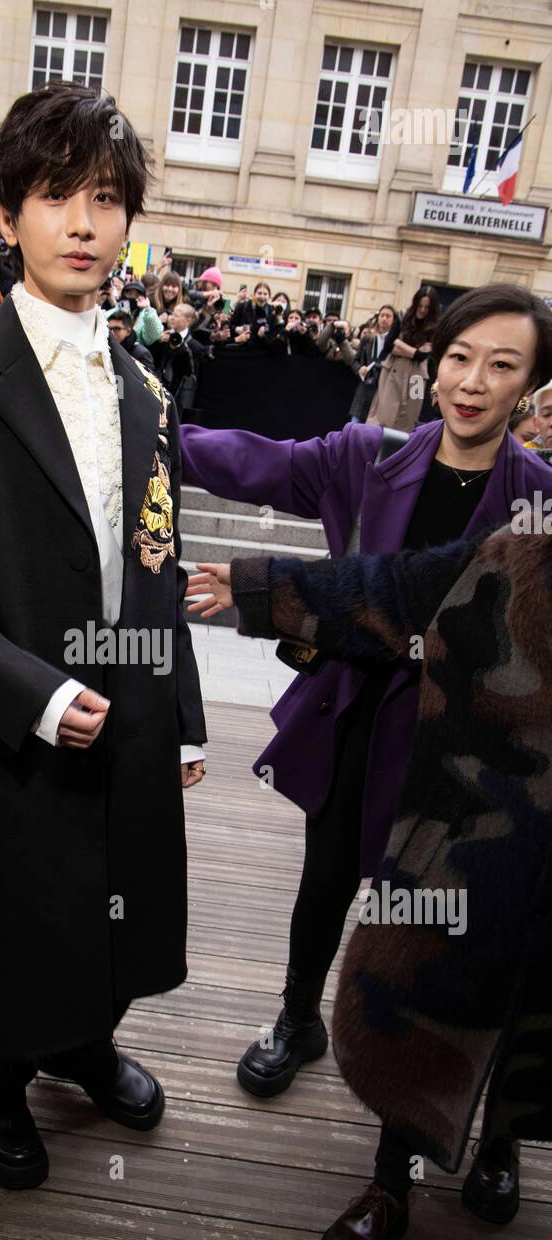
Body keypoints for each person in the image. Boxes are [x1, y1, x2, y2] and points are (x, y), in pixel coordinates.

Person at [0, 80, 207, 1192]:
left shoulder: (148, 388)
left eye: (106, 198)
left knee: (105, 894)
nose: (83, 222)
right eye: (56, 193)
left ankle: (81, 1042)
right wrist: (32, 691)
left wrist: (183, 711)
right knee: (8, 912)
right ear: (11, 211)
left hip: (131, 714)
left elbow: (158, 558)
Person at [178, 282, 552, 1103]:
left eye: (500, 366)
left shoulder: (537, 499)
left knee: (452, 917)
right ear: (430, 362)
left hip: (464, 743)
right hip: (357, 709)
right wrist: (143, 432)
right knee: (325, 880)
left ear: (527, 385)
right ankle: (296, 1020)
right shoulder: (366, 453)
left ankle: (456, 1099)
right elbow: (254, 462)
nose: (470, 381)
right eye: (458, 357)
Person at [188, 520, 552, 1240]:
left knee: (535, 1016)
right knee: (426, 996)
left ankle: (498, 1144)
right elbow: (389, 589)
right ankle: (391, 1185)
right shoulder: (515, 553)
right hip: (471, 850)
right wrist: (258, 588)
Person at [367, 285, 440, 431]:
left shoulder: (434, 326)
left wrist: (400, 345)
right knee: (384, 414)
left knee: (410, 415)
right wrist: (414, 351)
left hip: (419, 375)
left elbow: (423, 356)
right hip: (394, 370)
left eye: (427, 307)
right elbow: (389, 345)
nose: (422, 310)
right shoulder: (402, 317)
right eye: (420, 306)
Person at [340, 305, 398, 422]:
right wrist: (360, 369)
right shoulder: (368, 338)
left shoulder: (398, 342)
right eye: (382, 315)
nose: (384, 319)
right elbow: (355, 361)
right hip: (365, 390)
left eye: (388, 316)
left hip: (384, 392)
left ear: (394, 320)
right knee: (355, 427)